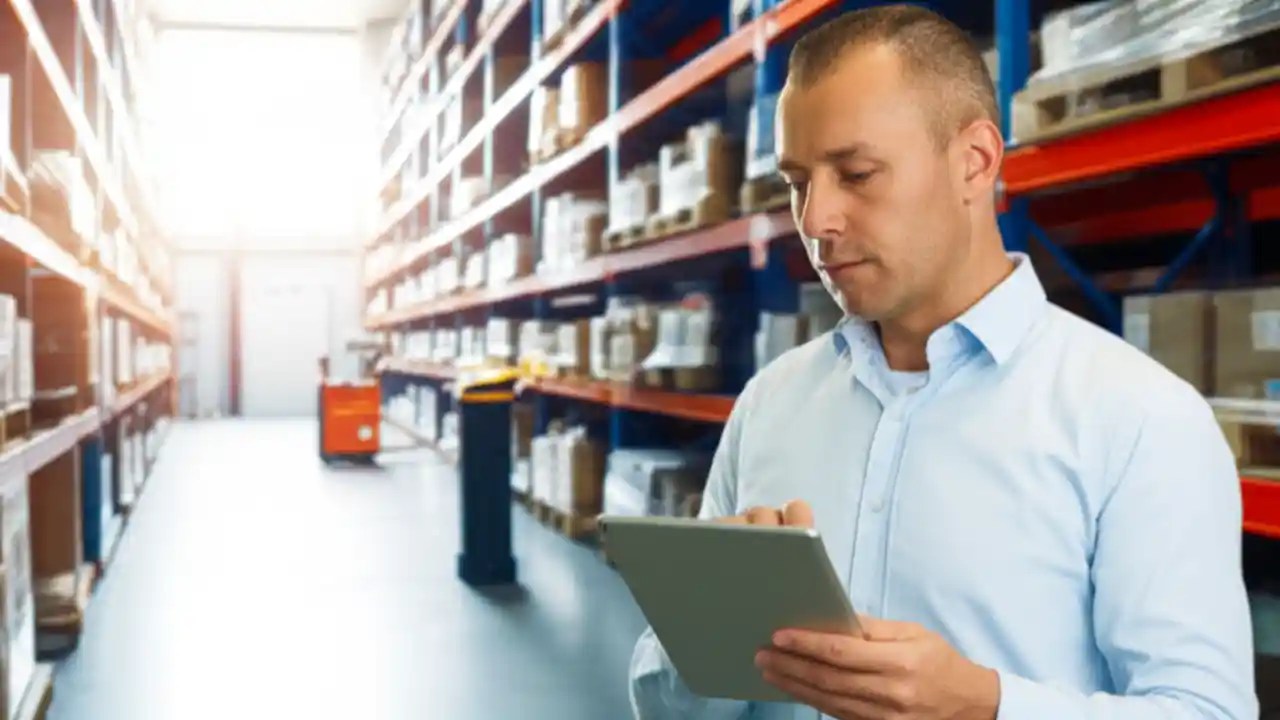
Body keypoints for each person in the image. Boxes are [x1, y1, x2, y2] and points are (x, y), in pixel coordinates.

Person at [629, 5, 1258, 720]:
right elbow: (667, 703)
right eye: (798, 182)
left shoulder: (1141, 419)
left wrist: (987, 706)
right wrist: (706, 636)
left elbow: (1207, 711)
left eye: (857, 173)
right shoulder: (770, 404)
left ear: (975, 162)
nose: (815, 221)